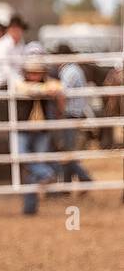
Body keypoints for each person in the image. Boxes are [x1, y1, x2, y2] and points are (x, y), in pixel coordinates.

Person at [12, 44, 63, 215]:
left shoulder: (49, 82)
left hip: (41, 129)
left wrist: (44, 89)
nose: (34, 76)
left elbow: (57, 87)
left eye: (37, 72)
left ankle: (30, 206)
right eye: (31, 72)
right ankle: (47, 173)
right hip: (24, 128)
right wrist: (42, 90)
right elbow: (23, 88)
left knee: (34, 164)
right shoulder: (19, 82)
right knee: (24, 157)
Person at [52, 44, 94, 188]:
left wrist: (60, 113)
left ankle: (84, 178)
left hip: (70, 114)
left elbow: (62, 94)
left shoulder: (69, 71)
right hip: (74, 113)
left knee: (66, 150)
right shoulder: (72, 69)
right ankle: (69, 184)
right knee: (67, 150)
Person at [0, 14, 29, 89]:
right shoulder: (0, 47)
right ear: (8, 30)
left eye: (18, 28)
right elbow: (5, 70)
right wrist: (21, 82)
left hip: (20, 83)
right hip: (4, 85)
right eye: (13, 28)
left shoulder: (22, 45)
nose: (16, 31)